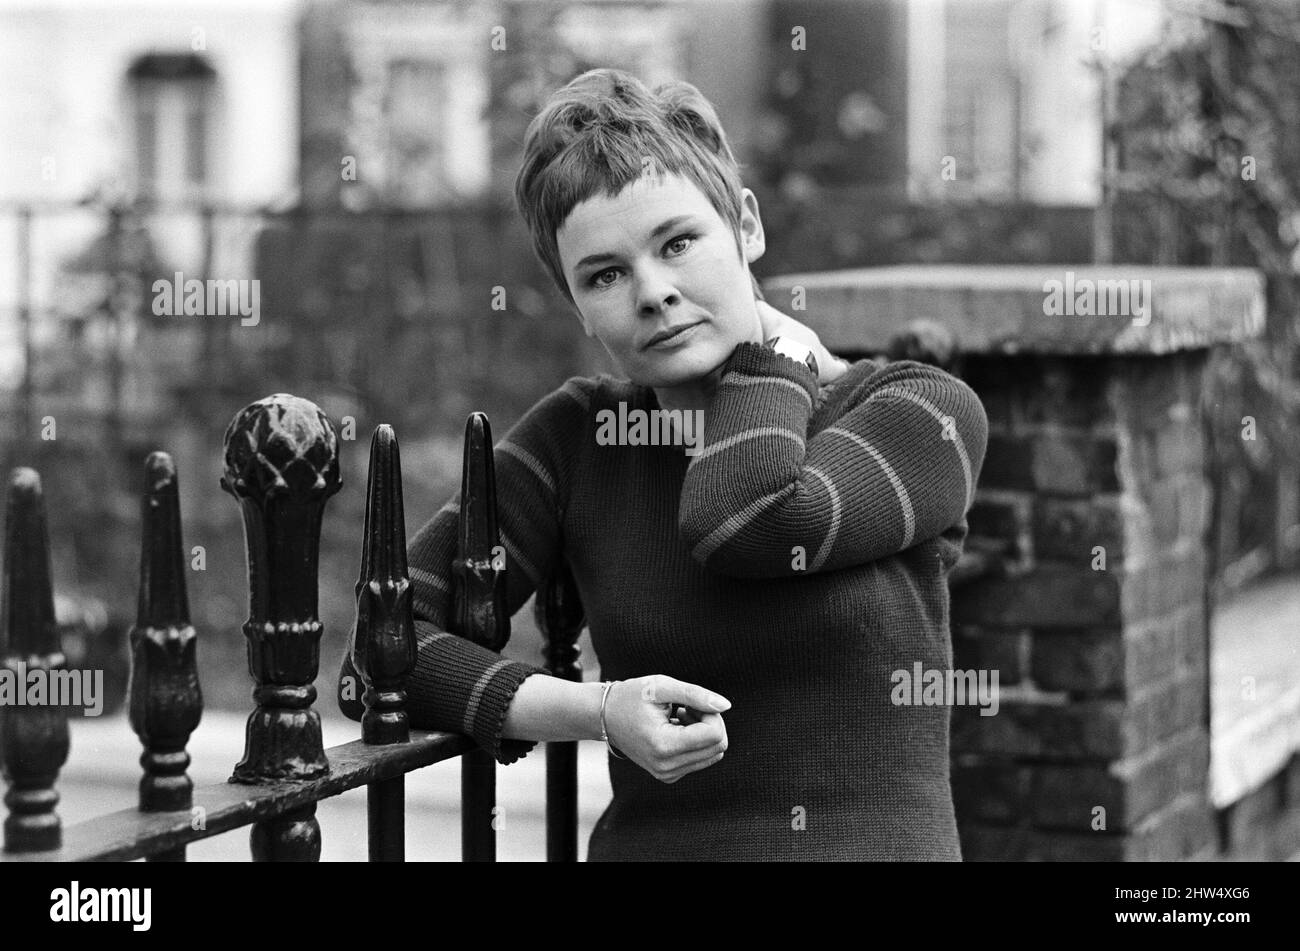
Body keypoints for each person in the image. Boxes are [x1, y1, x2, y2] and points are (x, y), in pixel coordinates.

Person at [338, 68, 988, 861]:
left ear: (745, 225)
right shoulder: (579, 438)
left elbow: (745, 517)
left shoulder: (918, 412)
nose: (653, 293)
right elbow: (379, 647)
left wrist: (770, 356)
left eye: (679, 243)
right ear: (576, 305)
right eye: (605, 274)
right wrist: (597, 710)